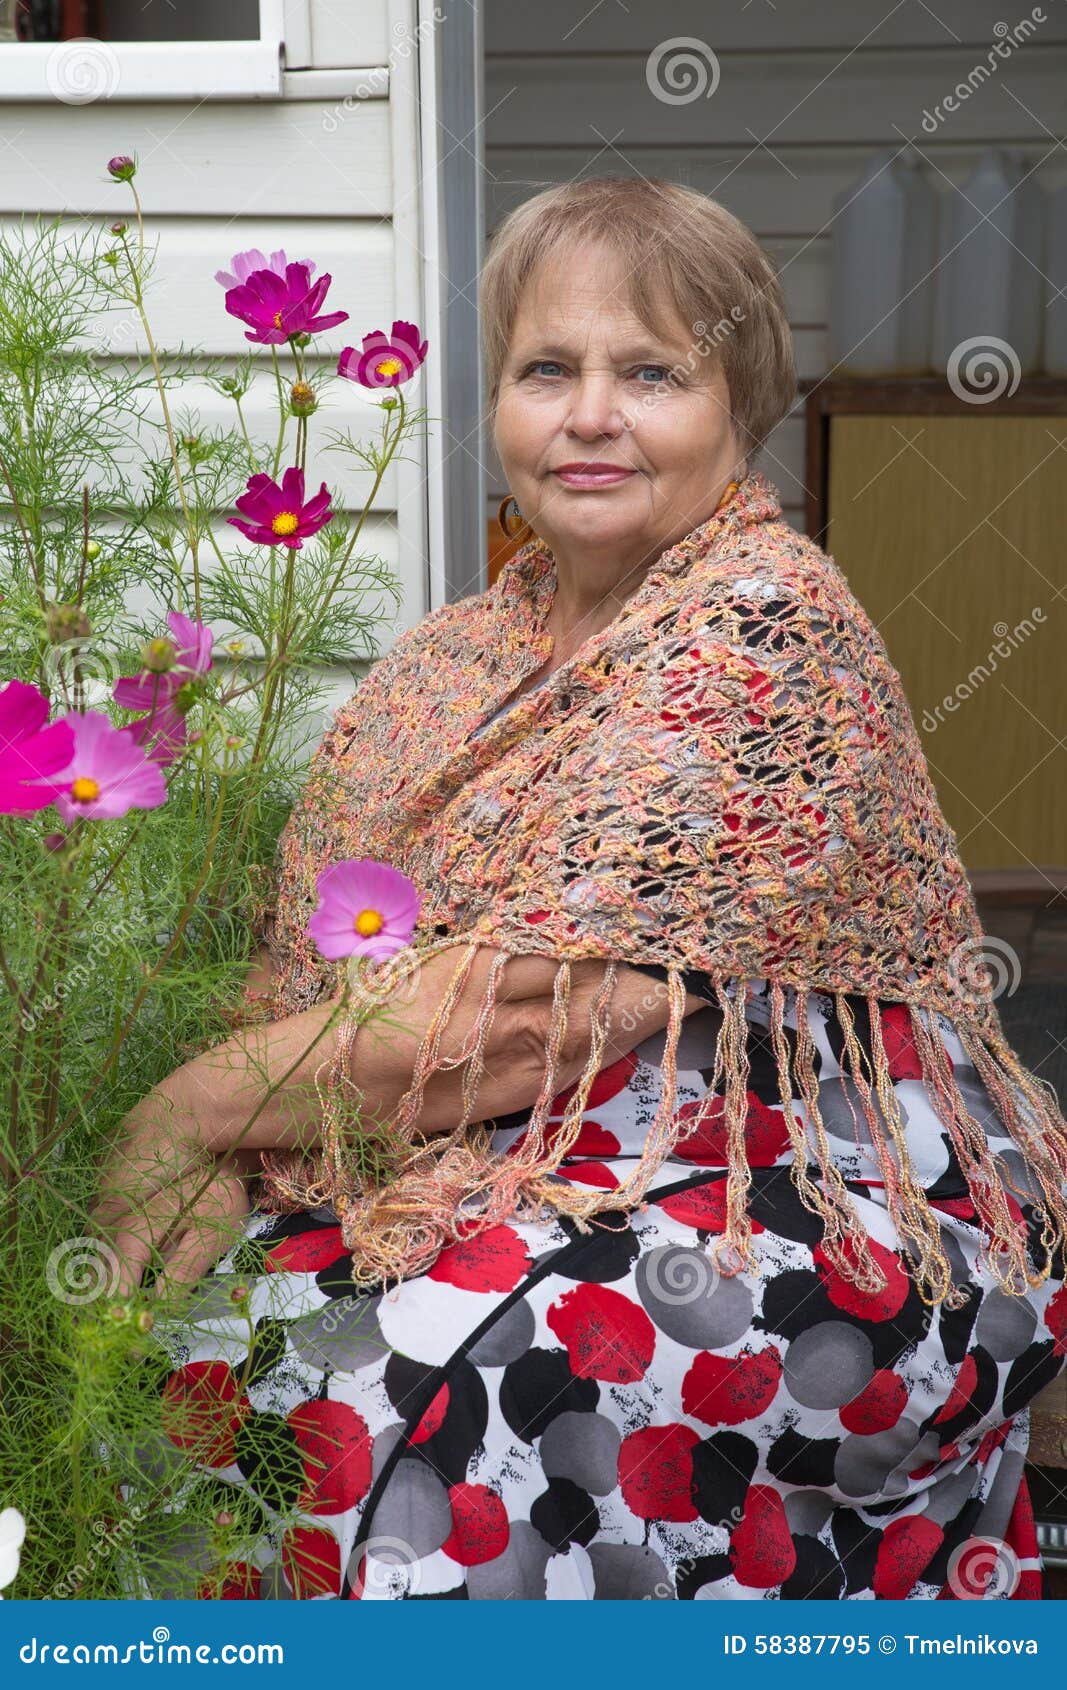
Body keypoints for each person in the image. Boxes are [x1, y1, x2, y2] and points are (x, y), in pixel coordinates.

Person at [95, 178, 1067, 1601]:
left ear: (742, 407)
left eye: (652, 372)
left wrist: (182, 1109)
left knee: (459, 1371)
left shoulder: (765, 623)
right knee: (223, 1313)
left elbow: (539, 1020)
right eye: (549, 369)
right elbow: (306, 960)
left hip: (810, 1166)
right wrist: (227, 1139)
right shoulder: (454, 658)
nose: (590, 414)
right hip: (521, 1145)